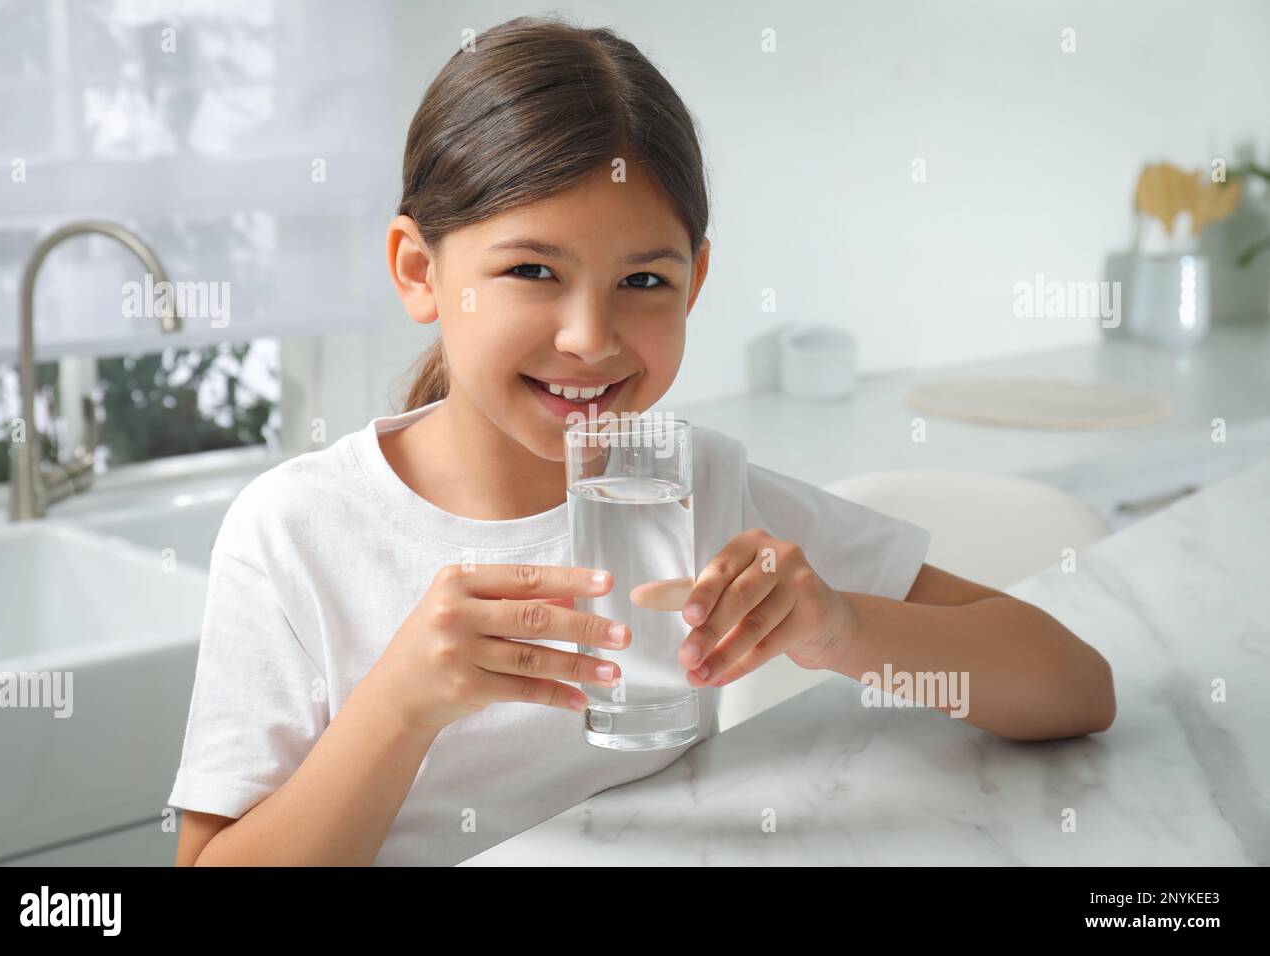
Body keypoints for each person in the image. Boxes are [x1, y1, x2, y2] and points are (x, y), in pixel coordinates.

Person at [169, 14, 1114, 867]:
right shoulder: (294, 533)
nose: (590, 336)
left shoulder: (689, 482)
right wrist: (399, 704)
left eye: (644, 282)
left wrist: (844, 627)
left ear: (695, 282)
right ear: (420, 272)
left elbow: (1076, 688)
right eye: (533, 270)